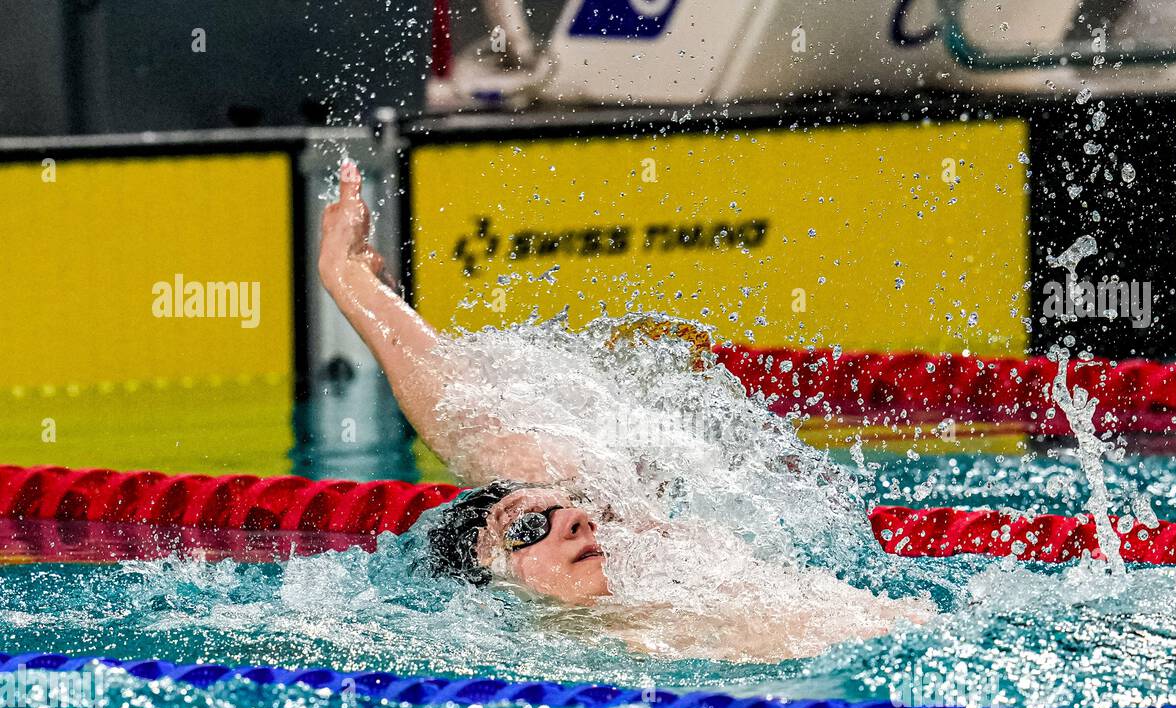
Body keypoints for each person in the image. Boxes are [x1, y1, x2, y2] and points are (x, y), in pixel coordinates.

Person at [318, 161, 933, 660]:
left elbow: (469, 414)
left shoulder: (629, 541)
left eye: (568, 514)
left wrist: (350, 282)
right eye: (532, 530)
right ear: (490, 573)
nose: (578, 524)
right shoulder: (582, 649)